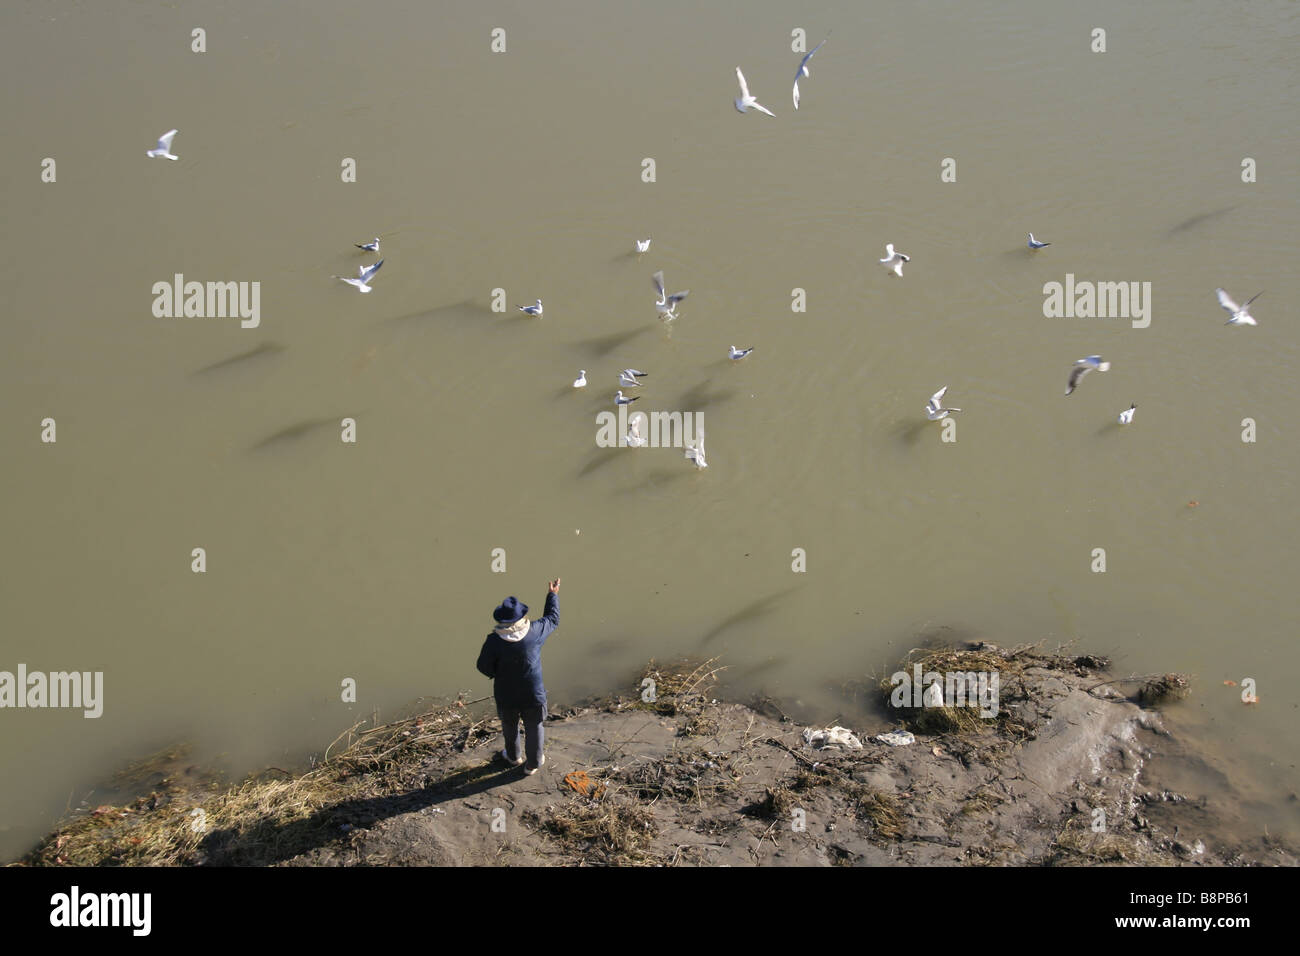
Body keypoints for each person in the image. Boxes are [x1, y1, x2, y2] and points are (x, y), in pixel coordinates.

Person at [476, 579, 560, 774]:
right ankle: (533, 763)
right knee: (534, 726)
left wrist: (497, 673)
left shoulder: (493, 642)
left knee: (509, 726)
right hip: (533, 693)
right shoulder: (534, 632)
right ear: (521, 616)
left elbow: (483, 667)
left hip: (506, 695)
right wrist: (552, 595)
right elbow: (553, 618)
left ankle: (513, 757)